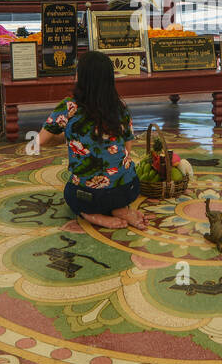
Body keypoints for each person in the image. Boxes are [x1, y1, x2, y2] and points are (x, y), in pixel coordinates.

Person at [35, 50, 146, 230]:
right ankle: (120, 208)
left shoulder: (69, 106)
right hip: (129, 189)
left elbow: (40, 140)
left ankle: (91, 214)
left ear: (80, 77)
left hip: (88, 197)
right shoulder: (120, 106)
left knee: (71, 194)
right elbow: (127, 147)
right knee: (116, 183)